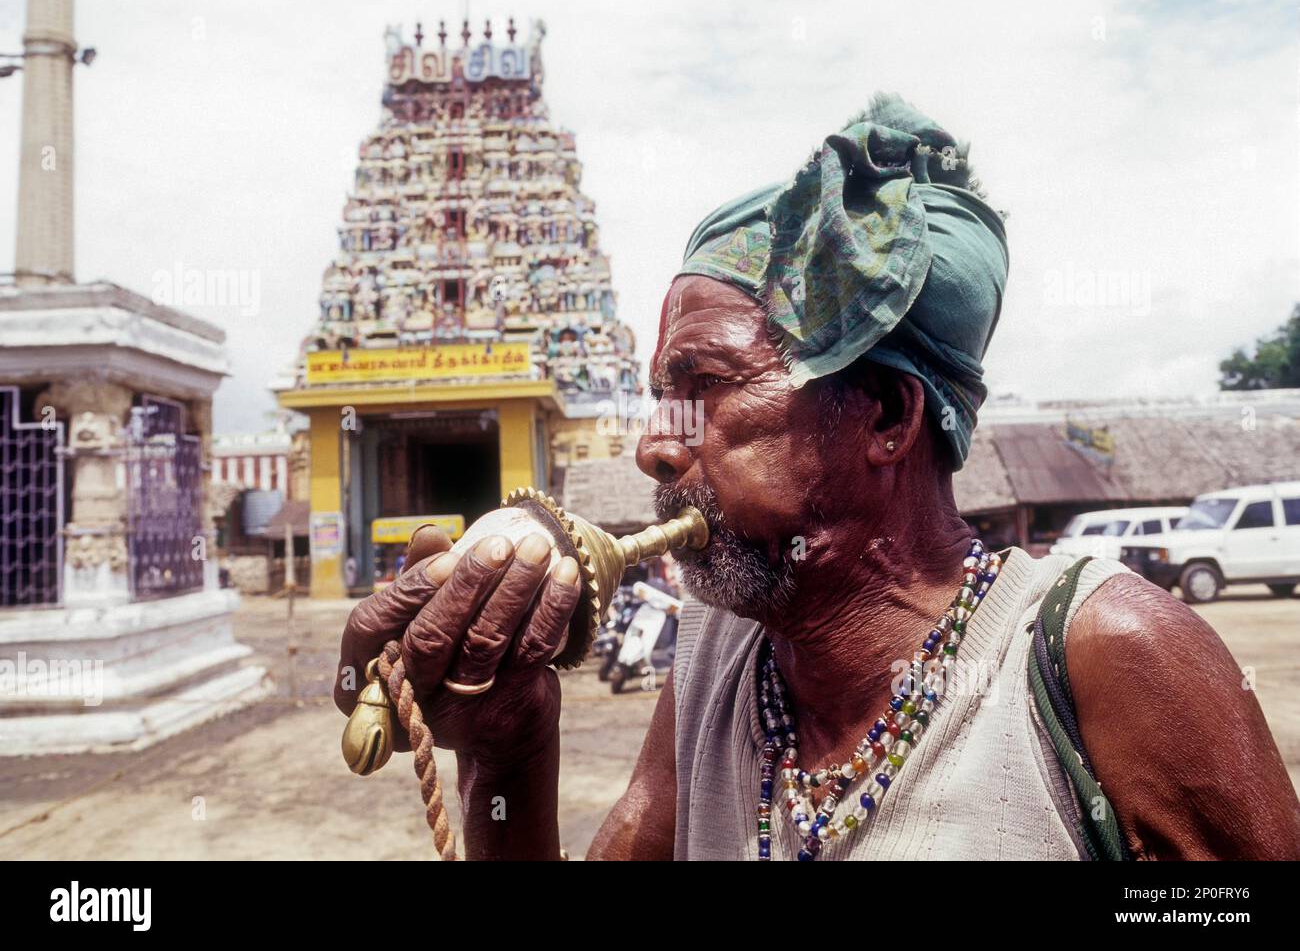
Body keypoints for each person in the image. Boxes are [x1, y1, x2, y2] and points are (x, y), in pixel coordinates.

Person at [334, 95, 1300, 860]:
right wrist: (507, 745)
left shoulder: (1110, 655)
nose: (655, 448)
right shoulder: (716, 656)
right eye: (656, 396)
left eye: (702, 387)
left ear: (885, 415)